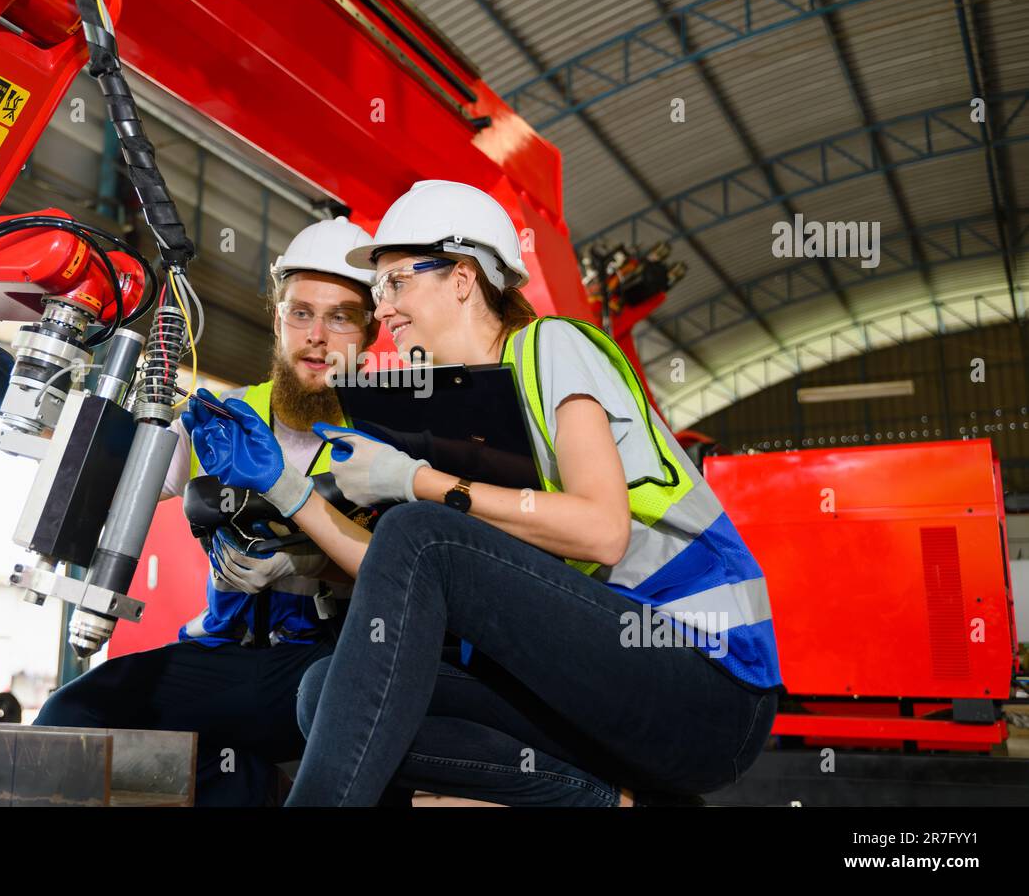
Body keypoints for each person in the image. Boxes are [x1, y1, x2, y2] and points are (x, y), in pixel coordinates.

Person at [182, 180, 784, 807]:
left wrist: (414, 482)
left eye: (395, 283)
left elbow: (602, 531)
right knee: (322, 692)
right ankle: (614, 799)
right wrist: (287, 490)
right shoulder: (456, 413)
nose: (381, 309)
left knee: (420, 533)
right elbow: (398, 567)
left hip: (707, 686)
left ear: (463, 278)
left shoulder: (552, 347)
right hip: (608, 709)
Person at [0, 217, 383, 806]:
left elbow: (408, 573)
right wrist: (31, 411)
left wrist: (302, 567)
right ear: (278, 315)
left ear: (371, 328)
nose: (317, 335)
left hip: (329, 659)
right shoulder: (228, 414)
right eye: (300, 312)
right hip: (223, 651)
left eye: (341, 316)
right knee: (76, 715)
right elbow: (118, 483)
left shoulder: (387, 437)